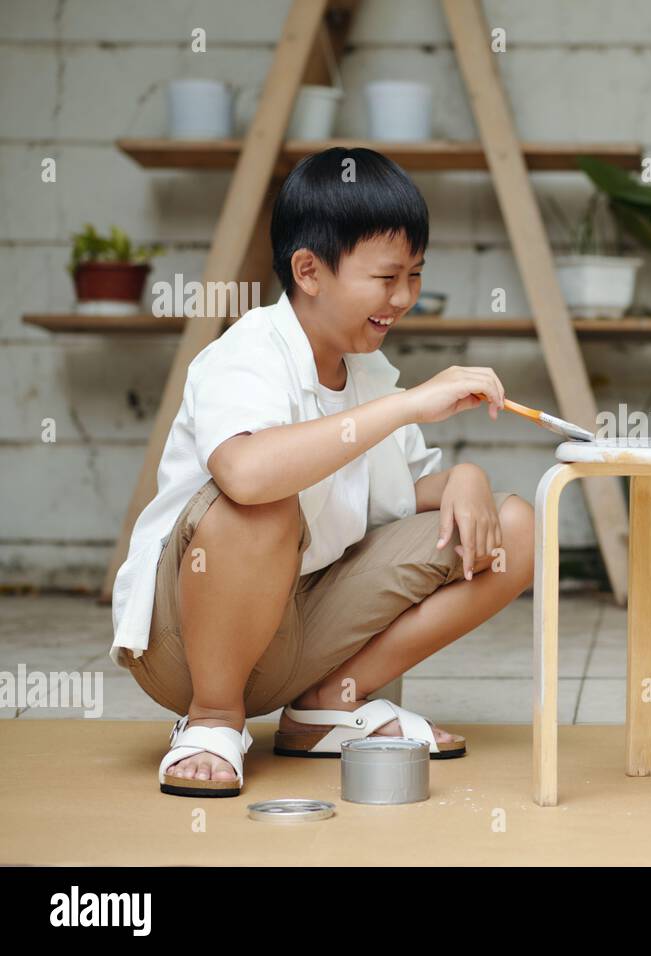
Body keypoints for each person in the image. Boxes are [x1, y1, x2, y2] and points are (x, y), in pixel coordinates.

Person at [110, 147, 533, 797]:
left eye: (415, 276)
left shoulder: (370, 375)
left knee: (516, 527)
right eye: (387, 277)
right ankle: (214, 723)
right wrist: (407, 405)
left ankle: (330, 703)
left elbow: (404, 495)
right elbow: (247, 475)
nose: (403, 298)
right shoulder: (250, 350)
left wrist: (466, 478)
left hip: (299, 630)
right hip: (187, 649)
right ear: (308, 270)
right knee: (265, 503)